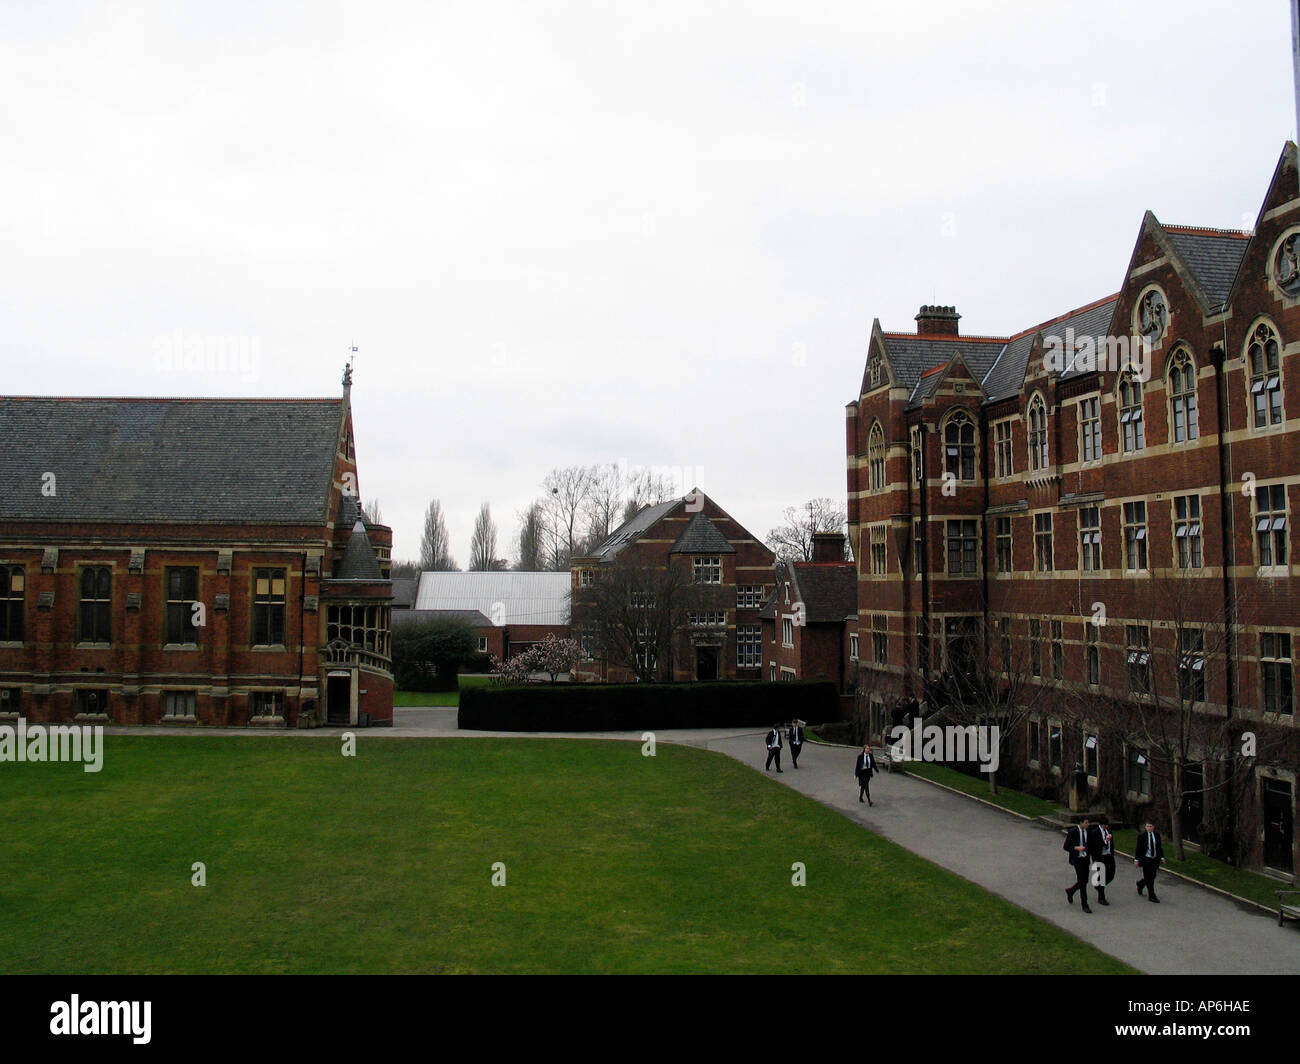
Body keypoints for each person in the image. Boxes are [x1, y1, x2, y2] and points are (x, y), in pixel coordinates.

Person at [1063, 817, 1097, 913]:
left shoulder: (1089, 832)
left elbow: (1092, 846)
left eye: (1088, 822)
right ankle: (1084, 904)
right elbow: (1066, 846)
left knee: (1084, 881)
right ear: (1081, 823)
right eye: (1086, 823)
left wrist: (1093, 859)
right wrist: (1076, 848)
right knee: (1082, 881)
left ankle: (1071, 891)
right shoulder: (1073, 832)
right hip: (1077, 859)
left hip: (1085, 859)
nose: (1087, 824)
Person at [1134, 821, 1165, 903]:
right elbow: (1139, 848)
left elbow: (1159, 847)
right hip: (1146, 859)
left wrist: (1162, 857)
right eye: (1147, 826)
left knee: (1152, 876)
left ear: (1153, 827)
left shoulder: (1156, 835)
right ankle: (1152, 895)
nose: (1149, 828)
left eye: (1150, 826)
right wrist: (1136, 860)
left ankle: (1140, 884)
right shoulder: (1142, 836)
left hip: (1154, 859)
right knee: (1149, 878)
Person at [1090, 815, 1116, 906]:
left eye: (1107, 825)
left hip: (1109, 856)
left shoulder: (1109, 831)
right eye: (1105, 825)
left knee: (1111, 874)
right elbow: (1095, 846)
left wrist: (1111, 851)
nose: (1106, 827)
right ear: (1101, 825)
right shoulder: (1095, 833)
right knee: (1102, 876)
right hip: (1100, 857)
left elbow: (1112, 843)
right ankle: (1101, 897)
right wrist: (1105, 841)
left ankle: (1098, 885)